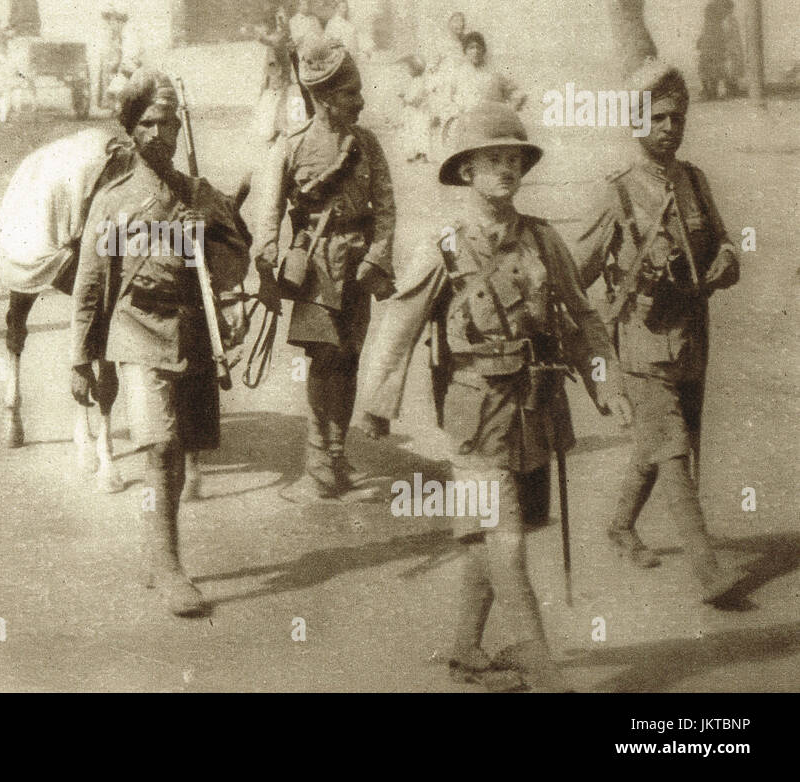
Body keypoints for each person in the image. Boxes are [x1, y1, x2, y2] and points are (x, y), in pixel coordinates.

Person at [360, 102, 632, 691]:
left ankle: (465, 650)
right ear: (466, 171)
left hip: (535, 412)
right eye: (493, 160)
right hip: (476, 417)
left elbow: (581, 317)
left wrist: (605, 385)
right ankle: (546, 675)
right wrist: (377, 405)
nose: (506, 170)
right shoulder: (446, 246)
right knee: (507, 546)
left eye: (514, 159)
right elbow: (399, 322)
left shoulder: (541, 239)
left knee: (495, 535)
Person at [70, 69, 250, 616]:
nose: (160, 133)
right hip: (137, 333)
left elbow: (236, 262)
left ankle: (157, 550)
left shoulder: (199, 194)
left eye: (169, 123)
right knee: (161, 448)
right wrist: (81, 359)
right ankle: (171, 568)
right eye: (148, 122)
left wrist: (212, 234)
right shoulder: (113, 201)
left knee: (179, 450)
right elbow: (90, 284)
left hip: (192, 336)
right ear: (130, 129)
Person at [571, 62, 745, 608]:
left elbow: (725, 243)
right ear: (636, 120)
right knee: (672, 451)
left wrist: (726, 264)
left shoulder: (693, 181)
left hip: (692, 337)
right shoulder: (618, 194)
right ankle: (709, 571)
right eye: (658, 116)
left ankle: (621, 525)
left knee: (668, 441)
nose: (670, 126)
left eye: (679, 116)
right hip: (643, 343)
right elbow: (577, 275)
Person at [252, 38, 397, 503]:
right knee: (322, 360)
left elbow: (387, 208)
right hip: (314, 266)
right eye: (351, 94)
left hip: (357, 266)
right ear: (325, 99)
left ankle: (337, 451)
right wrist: (267, 264)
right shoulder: (290, 149)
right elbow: (269, 213)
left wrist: (376, 258)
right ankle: (318, 457)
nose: (360, 101)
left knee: (349, 357)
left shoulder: (367, 144)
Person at [443, 32, 525, 145]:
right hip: (468, 127)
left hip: (493, 126)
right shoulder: (457, 75)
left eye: (478, 47)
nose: (475, 51)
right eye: (471, 48)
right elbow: (447, 100)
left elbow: (518, 93)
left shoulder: (494, 74)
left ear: (483, 50)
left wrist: (510, 110)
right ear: (465, 51)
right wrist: (457, 114)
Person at [696, 0, 743, 100]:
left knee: (712, 63)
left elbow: (727, 10)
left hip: (715, 35)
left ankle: (712, 91)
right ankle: (713, 90)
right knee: (711, 63)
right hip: (711, 35)